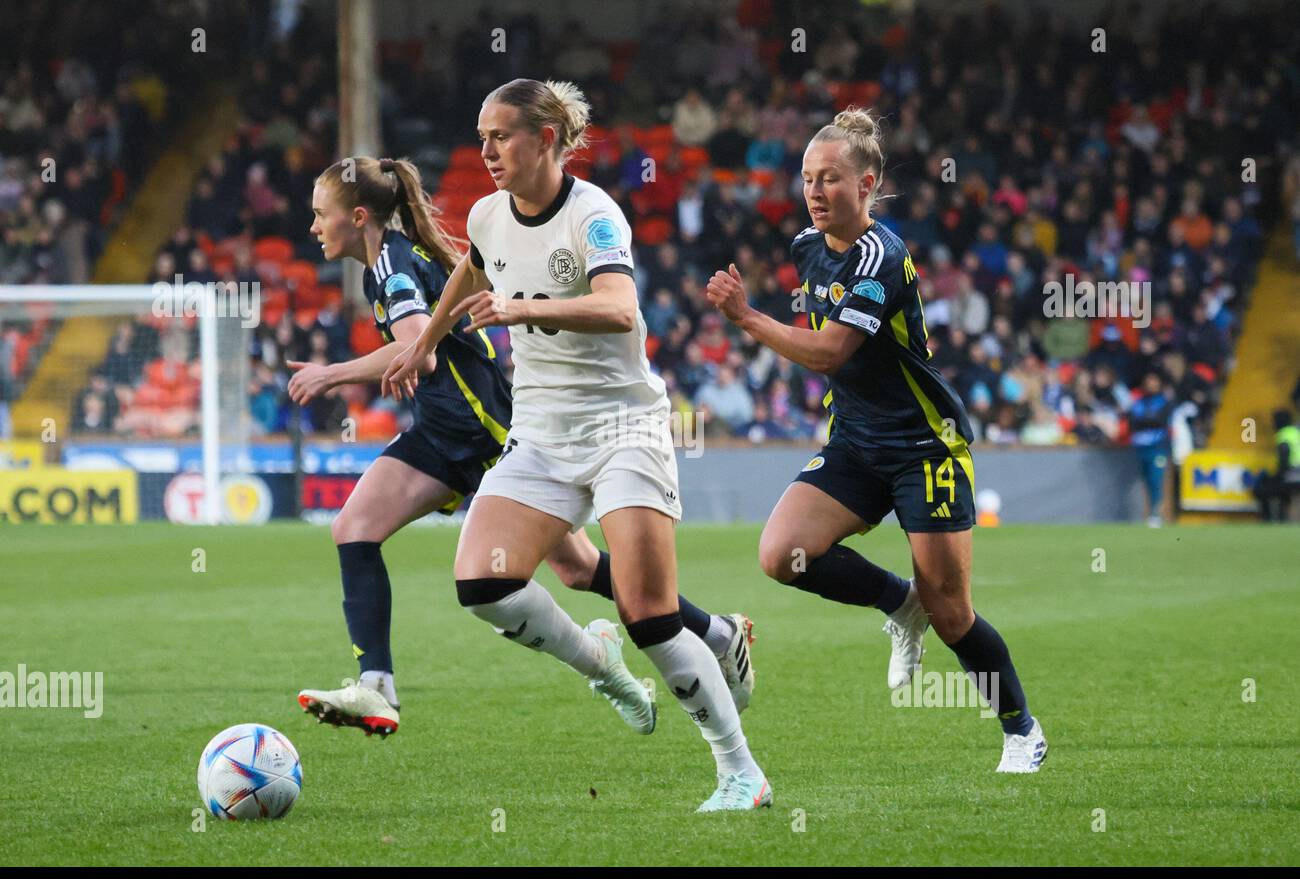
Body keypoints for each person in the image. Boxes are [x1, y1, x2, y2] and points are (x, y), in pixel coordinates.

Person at [382, 79, 770, 810]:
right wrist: (425, 342)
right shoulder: (488, 214)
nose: (486, 149)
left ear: (548, 139)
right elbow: (472, 265)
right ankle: (607, 668)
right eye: (481, 134)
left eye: (501, 135)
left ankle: (739, 771)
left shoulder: (594, 215)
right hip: (541, 430)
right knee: (482, 581)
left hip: (622, 426)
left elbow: (622, 309)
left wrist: (521, 307)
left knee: (648, 610)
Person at [292, 155, 754, 741]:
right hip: (440, 429)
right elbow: (436, 332)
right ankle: (377, 686)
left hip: (481, 426)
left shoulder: (392, 264)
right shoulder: (386, 263)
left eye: (318, 214)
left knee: (579, 569)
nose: (312, 226)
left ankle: (704, 638)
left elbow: (419, 350)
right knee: (354, 529)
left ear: (356, 216)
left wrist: (331, 374)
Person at [705, 107, 1047, 773]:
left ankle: (1020, 729)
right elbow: (831, 355)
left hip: (925, 446)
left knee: (953, 615)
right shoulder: (807, 248)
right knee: (782, 554)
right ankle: (899, 602)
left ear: (867, 184)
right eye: (806, 178)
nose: (814, 190)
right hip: (857, 443)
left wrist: (745, 317)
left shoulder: (883, 256)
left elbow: (831, 351)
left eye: (830, 178)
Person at [1127, 370, 1173, 527]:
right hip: (1140, 448)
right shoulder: (1139, 402)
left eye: (1154, 381)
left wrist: (1145, 421)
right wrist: (1148, 421)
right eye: (1149, 381)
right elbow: (1132, 422)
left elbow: (1160, 421)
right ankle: (1146, 513)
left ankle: (1156, 513)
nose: (1151, 384)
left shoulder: (1164, 402)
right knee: (1145, 481)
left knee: (1156, 480)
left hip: (1157, 447)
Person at [1253, 409, 1300, 522]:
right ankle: (1282, 516)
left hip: (1293, 476)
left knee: (1261, 489)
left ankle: (1268, 520)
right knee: (1281, 489)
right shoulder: (1296, 431)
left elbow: (1284, 459)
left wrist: (1276, 476)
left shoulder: (1284, 434)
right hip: (1294, 476)